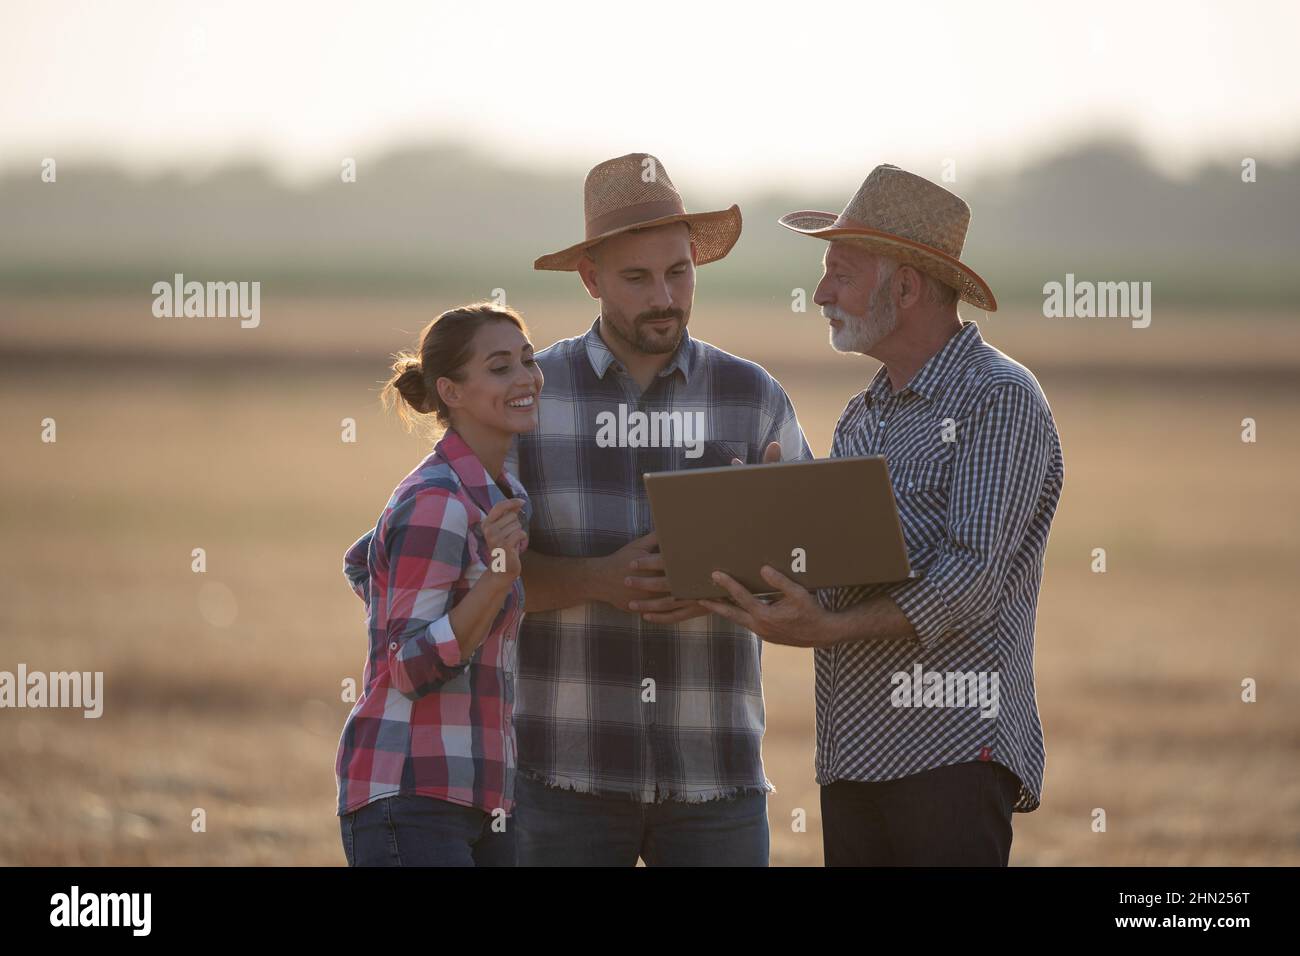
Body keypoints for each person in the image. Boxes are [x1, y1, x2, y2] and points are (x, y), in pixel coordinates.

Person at [702, 165, 1065, 866]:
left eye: (841, 271)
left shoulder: (999, 399)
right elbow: (841, 574)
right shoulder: (861, 416)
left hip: (952, 752)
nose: (820, 293)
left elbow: (970, 579)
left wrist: (828, 627)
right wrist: (757, 537)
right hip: (853, 758)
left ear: (905, 287)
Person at [507, 152, 812, 866]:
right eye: (637, 278)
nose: (664, 296)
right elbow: (471, 577)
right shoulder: (528, 397)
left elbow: (815, 575)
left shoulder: (754, 397)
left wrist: (741, 573)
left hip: (718, 778)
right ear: (591, 279)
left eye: (679, 273)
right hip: (560, 777)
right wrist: (597, 580)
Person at [334, 302, 542, 866]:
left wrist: (393, 597)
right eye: (500, 368)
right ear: (450, 391)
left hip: (481, 793)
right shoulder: (438, 500)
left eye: (527, 360)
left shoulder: (496, 493)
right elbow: (407, 667)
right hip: (414, 792)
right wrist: (495, 581)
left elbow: (363, 560)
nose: (526, 378)